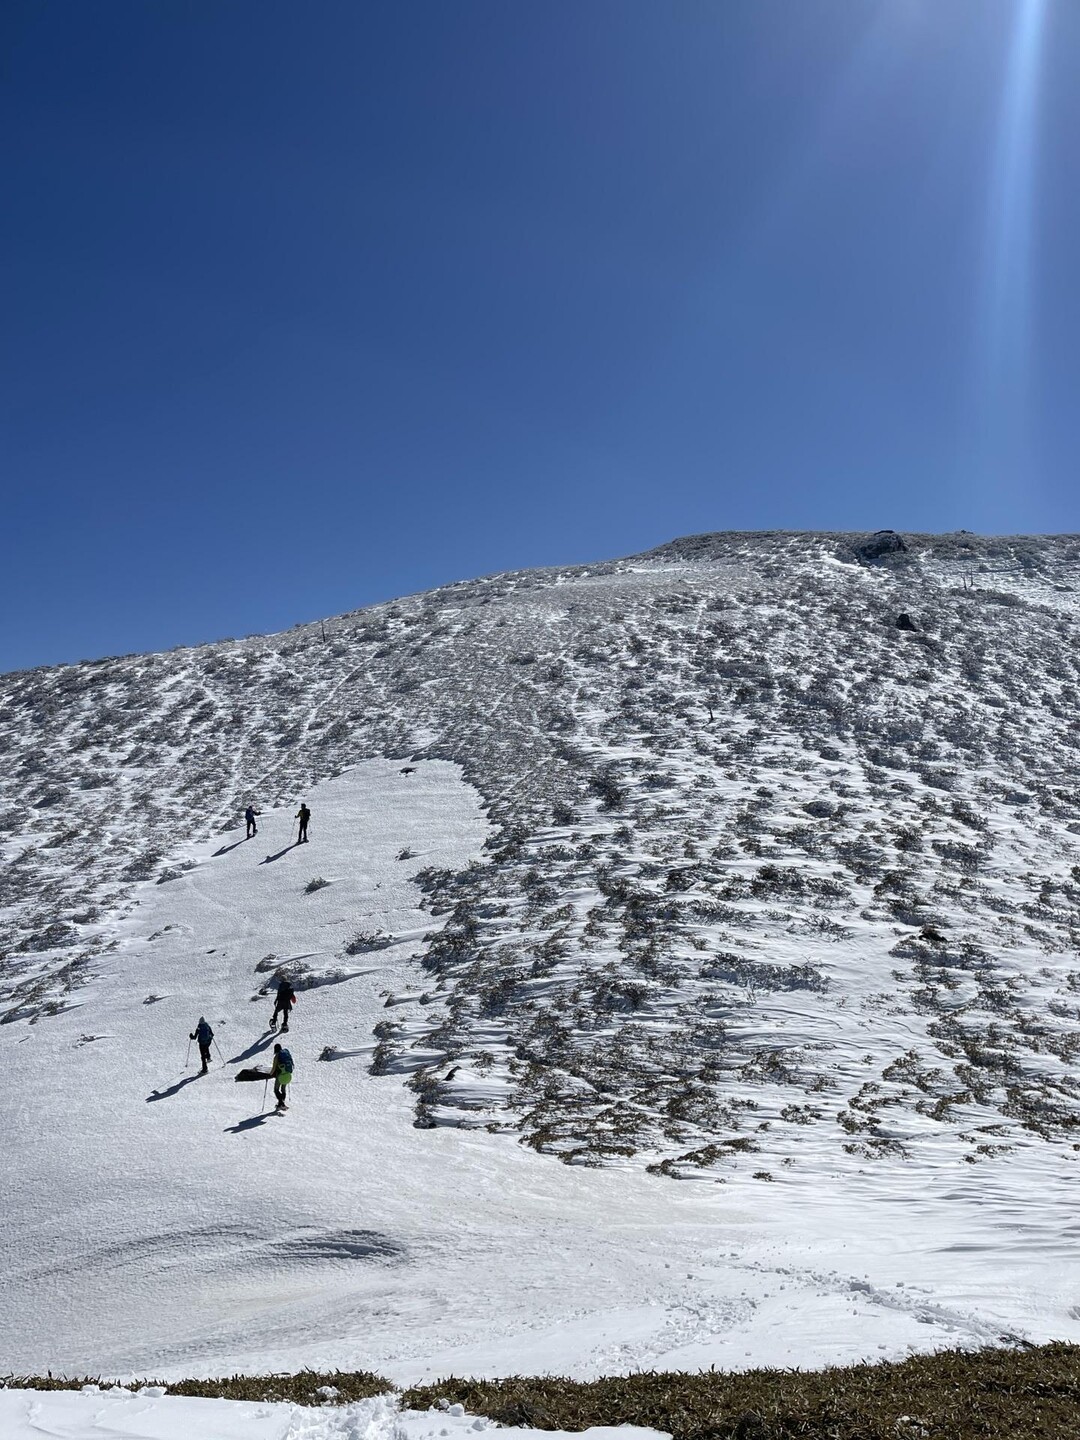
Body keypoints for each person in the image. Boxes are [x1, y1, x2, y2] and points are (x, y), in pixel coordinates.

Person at [271, 1042, 293, 1111]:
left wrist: (270, 1074)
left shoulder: (277, 1056)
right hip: (287, 1074)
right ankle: (282, 1103)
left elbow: (274, 1068)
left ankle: (281, 1104)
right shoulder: (285, 1054)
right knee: (283, 1089)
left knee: (276, 1090)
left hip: (280, 1075)